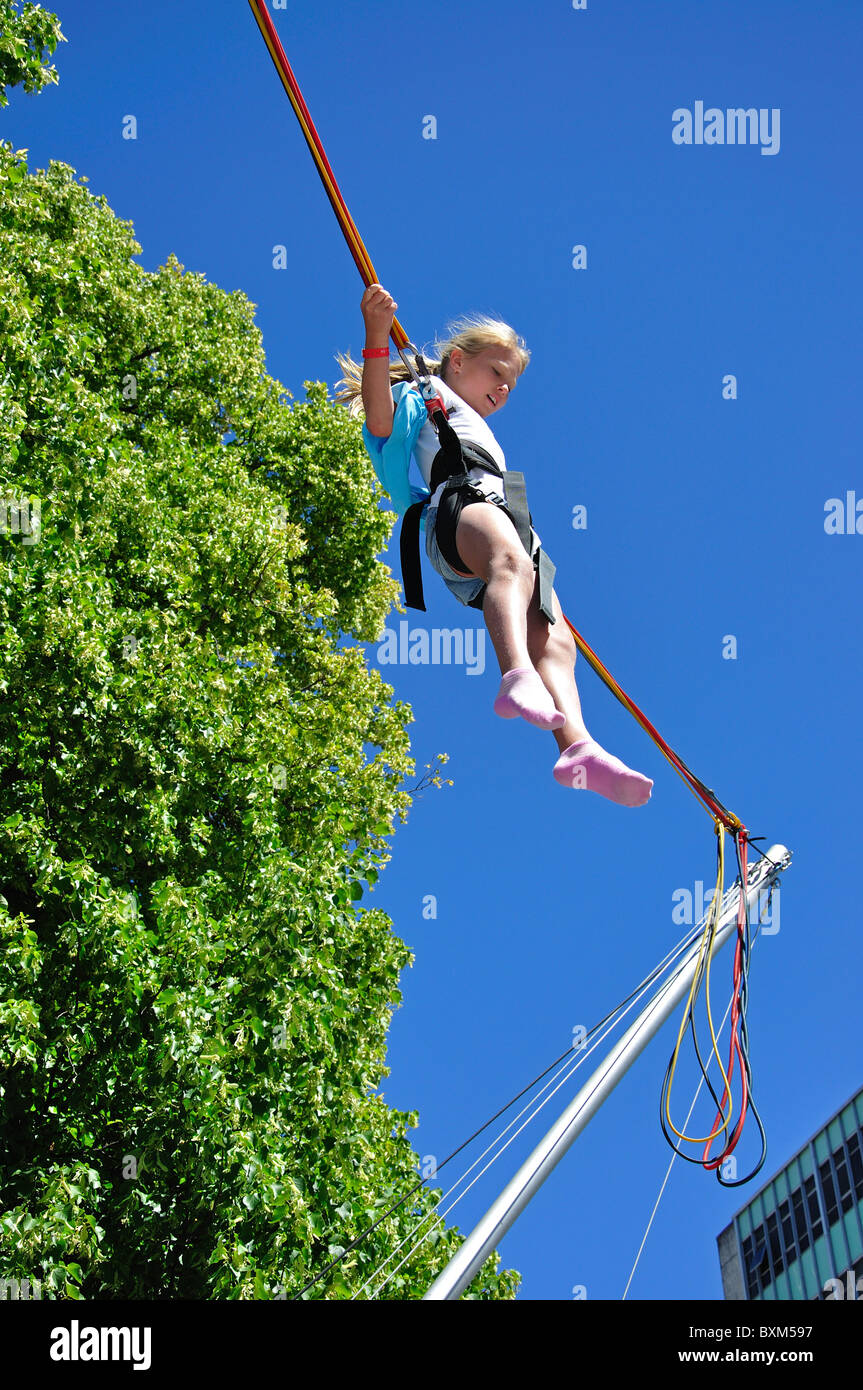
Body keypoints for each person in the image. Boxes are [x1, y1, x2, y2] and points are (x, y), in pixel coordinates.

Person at [336, 284, 652, 808]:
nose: (503, 390)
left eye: (511, 387)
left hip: (502, 521)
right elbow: (379, 421)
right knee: (510, 561)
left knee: (556, 640)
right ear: (457, 362)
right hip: (457, 508)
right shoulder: (428, 393)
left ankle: (577, 747)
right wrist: (375, 335)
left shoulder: (473, 417)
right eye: (496, 373)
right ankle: (515, 676)